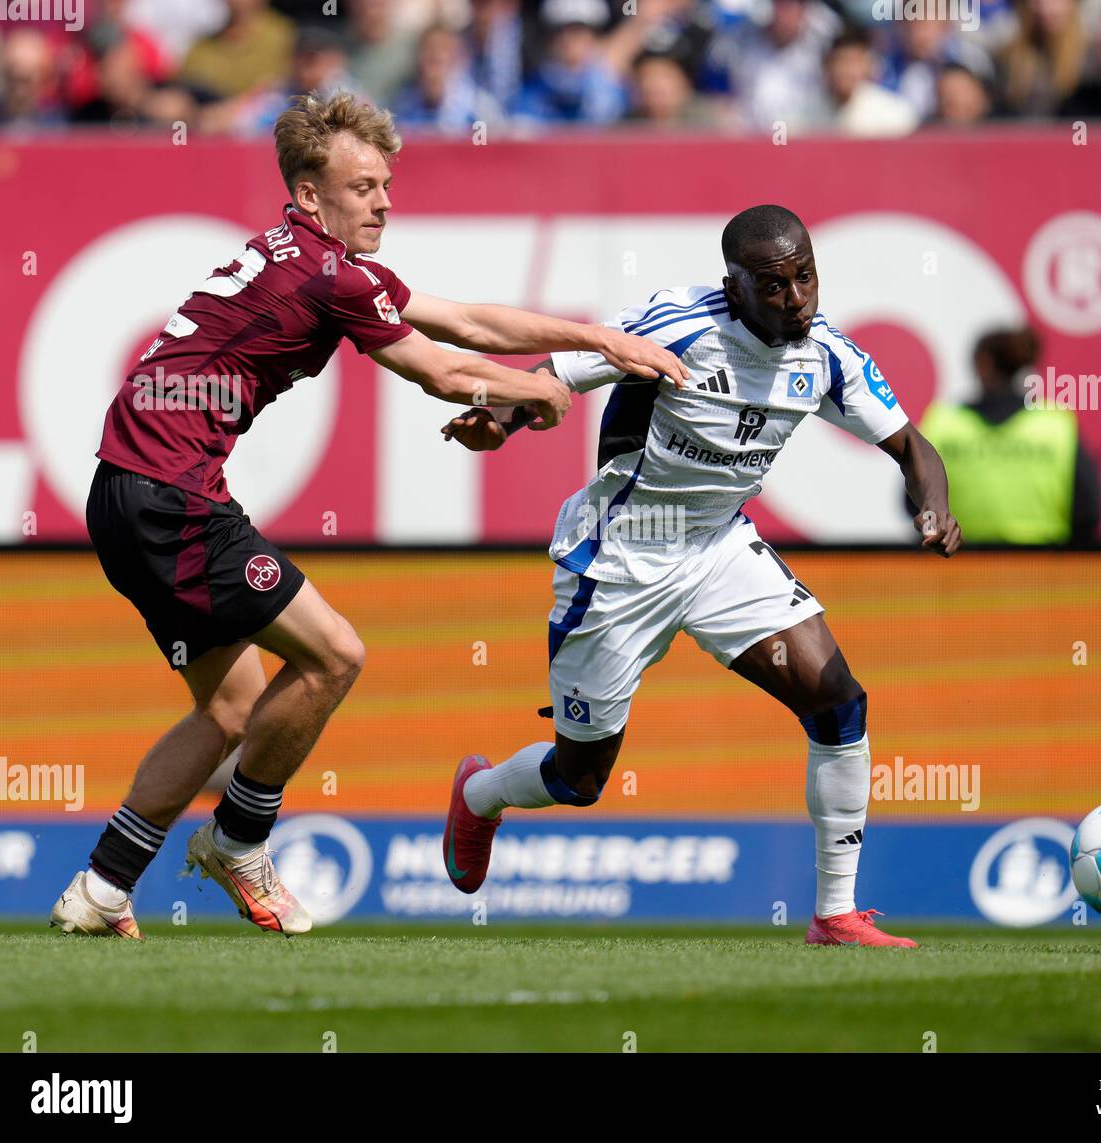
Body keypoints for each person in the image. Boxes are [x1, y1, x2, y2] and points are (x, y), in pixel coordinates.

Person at [49, 91, 686, 941]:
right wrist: (536, 392)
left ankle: (100, 888)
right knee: (335, 654)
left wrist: (599, 341)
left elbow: (462, 319)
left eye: (386, 183)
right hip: (170, 496)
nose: (383, 200)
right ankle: (238, 841)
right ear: (312, 196)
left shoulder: (307, 257)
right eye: (362, 187)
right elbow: (448, 371)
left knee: (232, 708)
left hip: (126, 492)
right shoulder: (326, 273)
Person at [438, 204, 962, 949]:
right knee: (580, 778)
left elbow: (912, 447)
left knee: (838, 701)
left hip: (717, 547)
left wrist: (935, 509)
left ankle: (836, 914)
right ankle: (481, 794)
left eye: (805, 277)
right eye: (774, 285)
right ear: (735, 285)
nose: (795, 298)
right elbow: (561, 370)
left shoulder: (830, 356)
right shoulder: (676, 325)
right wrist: (499, 415)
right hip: (619, 553)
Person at [918, 327, 1101, 544]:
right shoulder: (1055, 424)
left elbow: (913, 504)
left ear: (982, 363)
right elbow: (1089, 510)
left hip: (960, 570)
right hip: (1044, 571)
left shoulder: (943, 423)